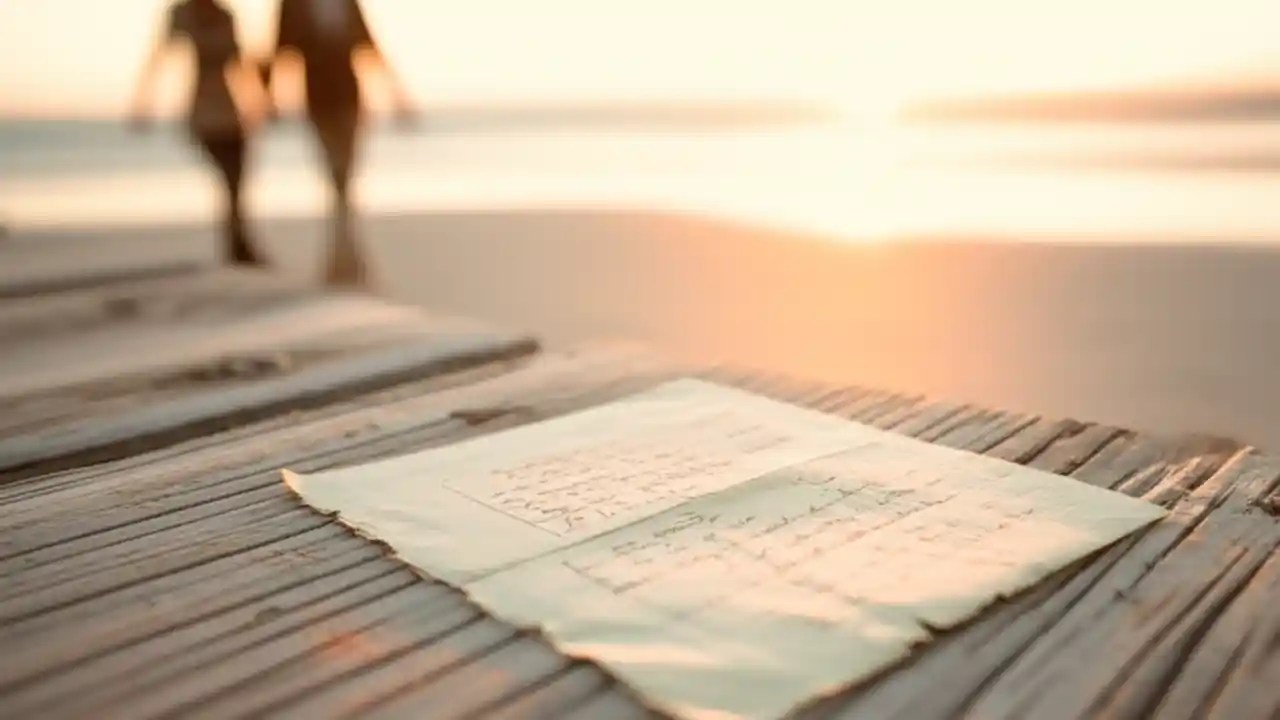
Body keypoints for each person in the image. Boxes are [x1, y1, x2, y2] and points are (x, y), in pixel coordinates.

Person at [265, 0, 416, 287]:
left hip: (348, 93)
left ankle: (345, 253)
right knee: (335, 174)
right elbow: (281, 49)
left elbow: (369, 43)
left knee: (345, 174)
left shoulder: (346, 3)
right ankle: (346, 254)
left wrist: (397, 94)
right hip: (319, 97)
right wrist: (272, 96)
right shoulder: (293, 5)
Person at [132, 0, 268, 267]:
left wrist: (260, 103)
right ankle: (238, 244)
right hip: (202, 110)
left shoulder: (225, 16)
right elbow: (160, 57)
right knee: (228, 178)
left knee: (236, 180)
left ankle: (239, 244)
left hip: (231, 110)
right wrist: (144, 103)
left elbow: (241, 63)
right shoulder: (182, 15)